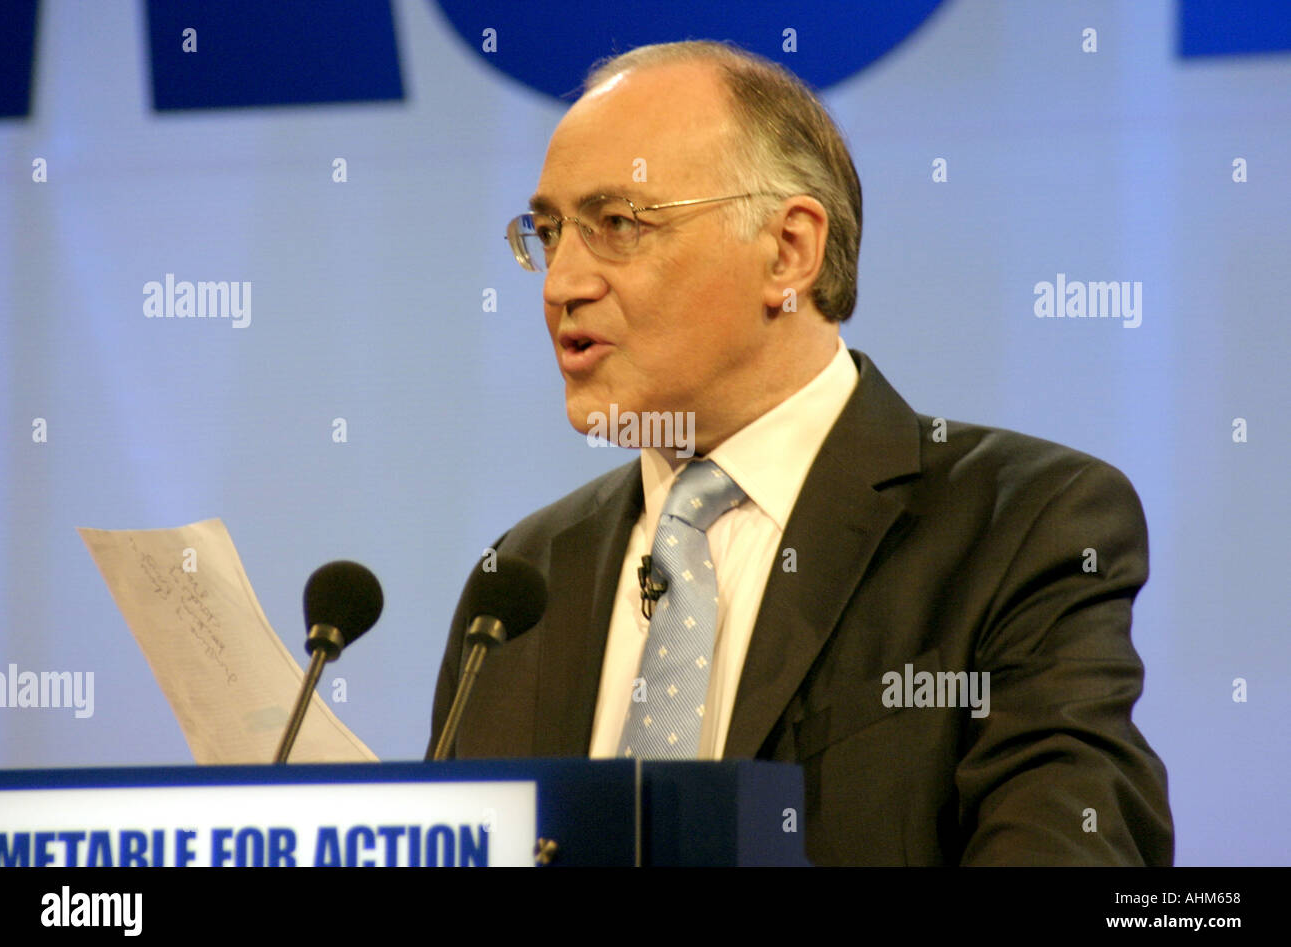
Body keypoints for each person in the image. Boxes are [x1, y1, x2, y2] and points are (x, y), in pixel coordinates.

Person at [428, 40, 1173, 865]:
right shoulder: (524, 581)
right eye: (547, 232)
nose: (560, 282)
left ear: (788, 252)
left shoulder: (1020, 526)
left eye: (617, 226)